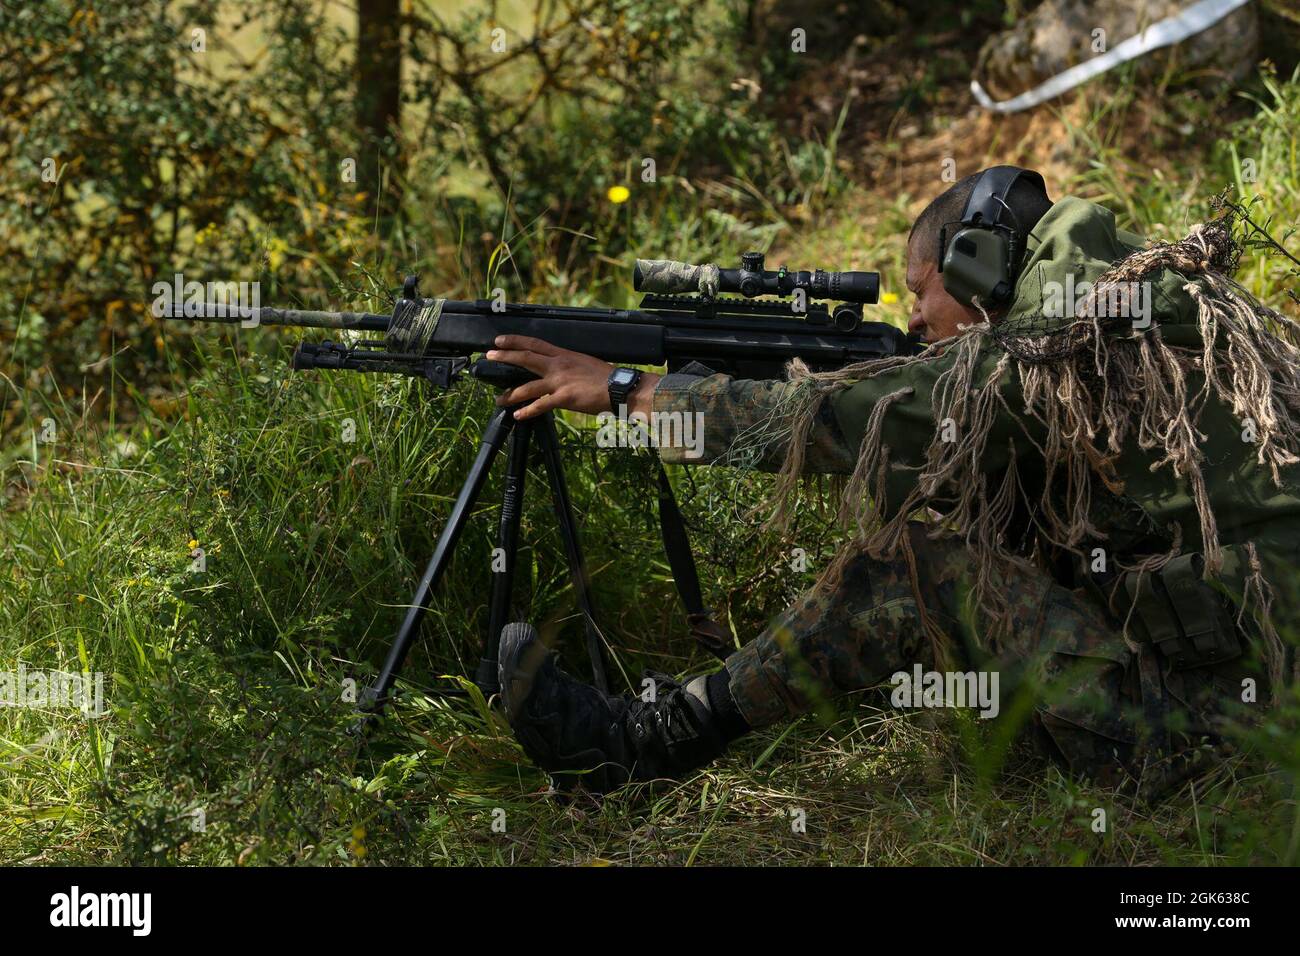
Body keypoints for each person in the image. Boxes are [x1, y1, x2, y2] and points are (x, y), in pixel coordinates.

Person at [483, 166, 1300, 796]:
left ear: (979, 266)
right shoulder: (1129, 303)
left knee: (910, 562)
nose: (912, 323)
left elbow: (875, 419)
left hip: (1211, 737)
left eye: (920, 293)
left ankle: (645, 745)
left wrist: (635, 392)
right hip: (1253, 705)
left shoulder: (1061, 337)